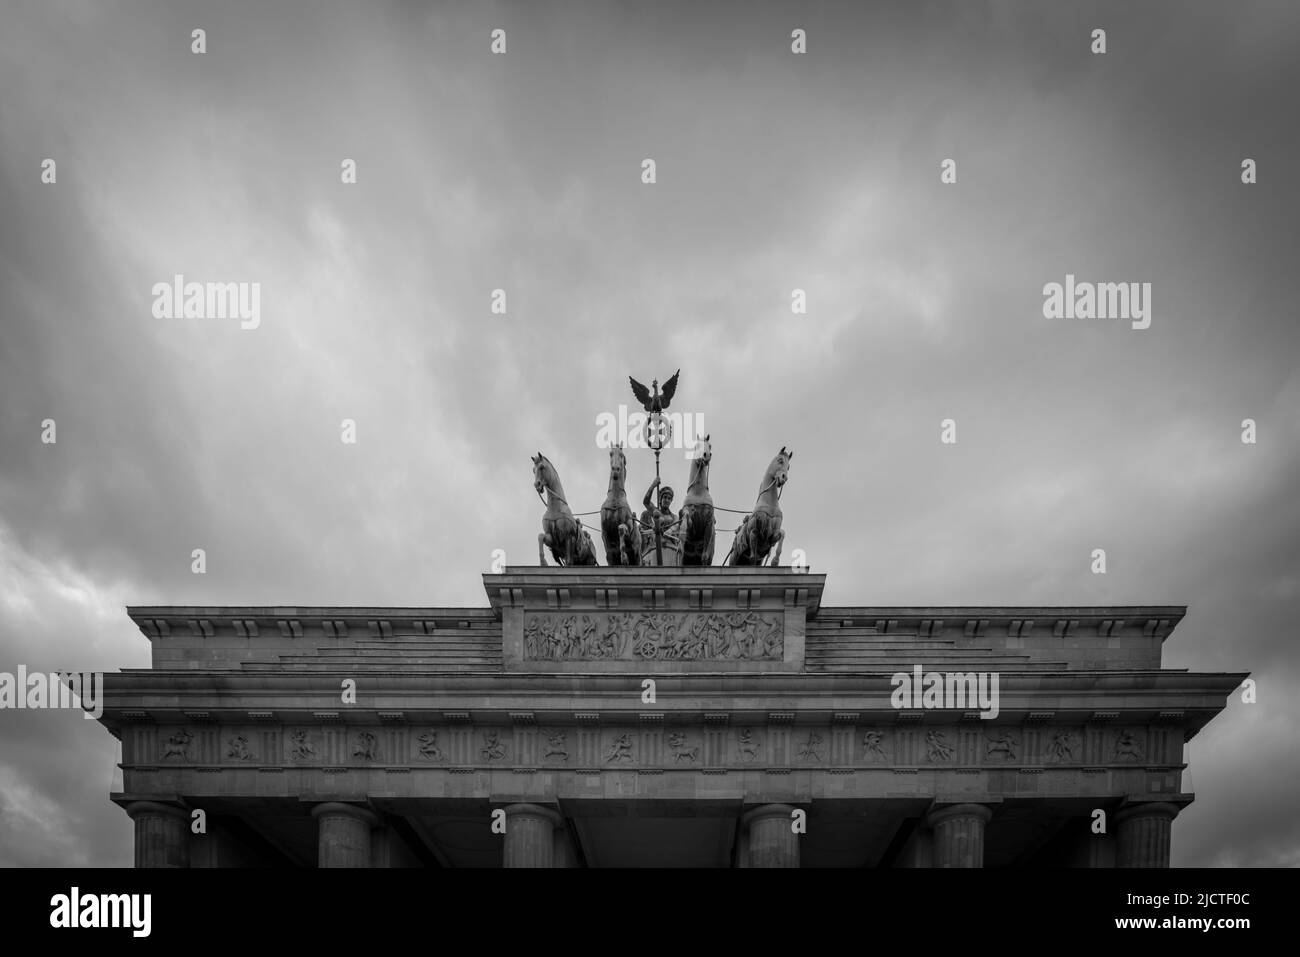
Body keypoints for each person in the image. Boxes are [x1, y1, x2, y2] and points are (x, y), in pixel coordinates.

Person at [640, 476, 680, 562]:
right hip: (654, 547)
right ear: (660, 499)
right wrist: (653, 485)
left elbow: (676, 525)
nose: (667, 500)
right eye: (665, 497)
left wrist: (669, 531)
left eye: (669, 498)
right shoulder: (655, 512)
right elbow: (646, 502)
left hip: (671, 549)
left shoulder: (674, 517)